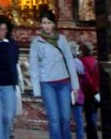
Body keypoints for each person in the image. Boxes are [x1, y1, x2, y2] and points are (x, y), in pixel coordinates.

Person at [28, 9, 79, 139]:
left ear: (54, 24)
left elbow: (69, 61)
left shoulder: (62, 39)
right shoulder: (36, 42)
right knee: (54, 119)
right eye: (44, 23)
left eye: (49, 23)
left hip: (64, 83)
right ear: (41, 24)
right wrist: (36, 89)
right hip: (47, 84)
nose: (46, 26)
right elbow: (33, 66)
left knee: (65, 118)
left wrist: (75, 85)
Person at [78, 43, 100, 139]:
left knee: (89, 116)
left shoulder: (81, 61)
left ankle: (92, 136)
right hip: (96, 91)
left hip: (86, 91)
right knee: (93, 114)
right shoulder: (95, 61)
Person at [69, 43, 85, 139]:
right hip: (77, 91)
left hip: (70, 91)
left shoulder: (70, 62)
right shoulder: (78, 62)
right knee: (78, 117)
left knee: (66, 117)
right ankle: (80, 136)